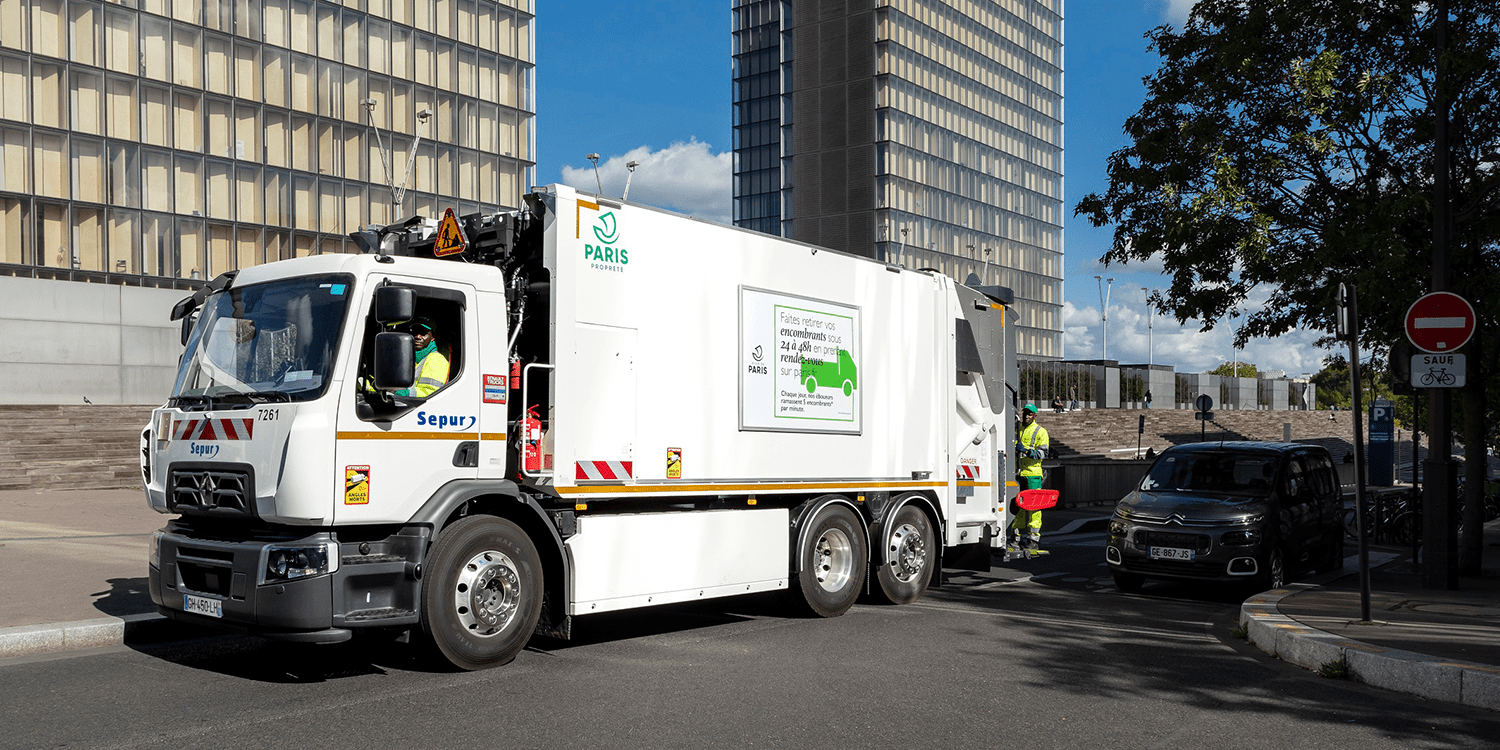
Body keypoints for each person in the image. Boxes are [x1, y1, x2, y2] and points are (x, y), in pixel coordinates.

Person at [1011, 403, 1050, 551]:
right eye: (1025, 413)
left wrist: (1026, 451)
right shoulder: (1017, 429)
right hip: (1019, 474)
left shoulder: (1041, 431)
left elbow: (1043, 454)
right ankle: (1016, 537)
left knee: (1034, 508)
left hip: (1033, 475)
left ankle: (1033, 539)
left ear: (1034, 416)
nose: (1026, 416)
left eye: (1030, 414)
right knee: (1018, 506)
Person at [398, 316, 450, 398]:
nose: (418, 337)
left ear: (432, 337)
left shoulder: (436, 359)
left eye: (423, 333)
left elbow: (431, 394)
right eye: (415, 332)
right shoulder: (409, 358)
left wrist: (406, 393)